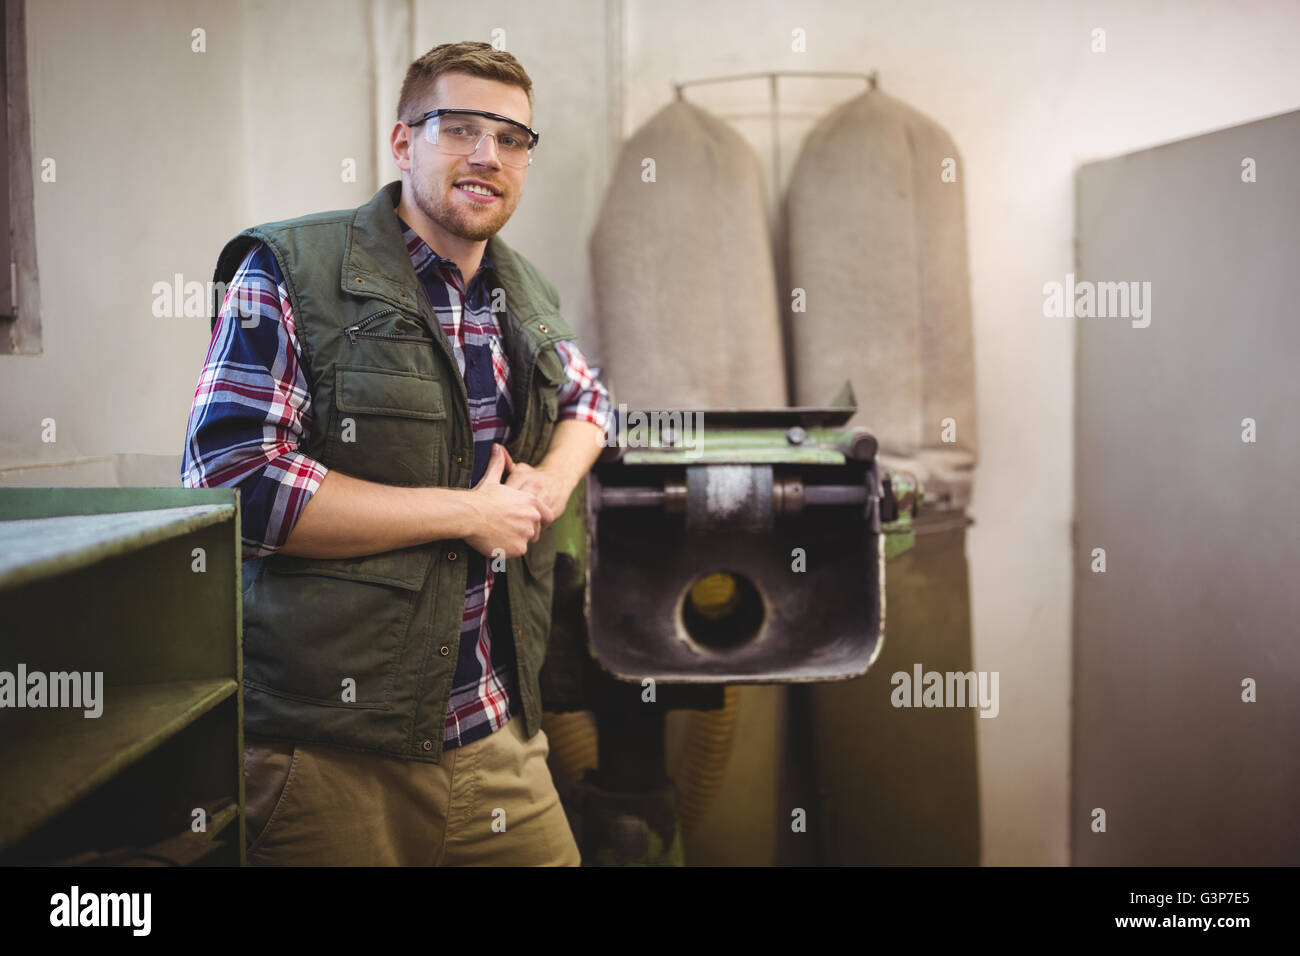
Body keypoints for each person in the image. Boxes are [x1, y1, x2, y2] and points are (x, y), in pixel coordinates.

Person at [181, 40, 614, 865]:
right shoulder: (291, 271)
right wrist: (471, 515)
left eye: (513, 138)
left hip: (498, 740)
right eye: (459, 128)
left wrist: (544, 492)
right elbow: (237, 483)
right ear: (402, 142)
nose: (488, 155)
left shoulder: (527, 293)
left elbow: (591, 404)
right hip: (330, 754)